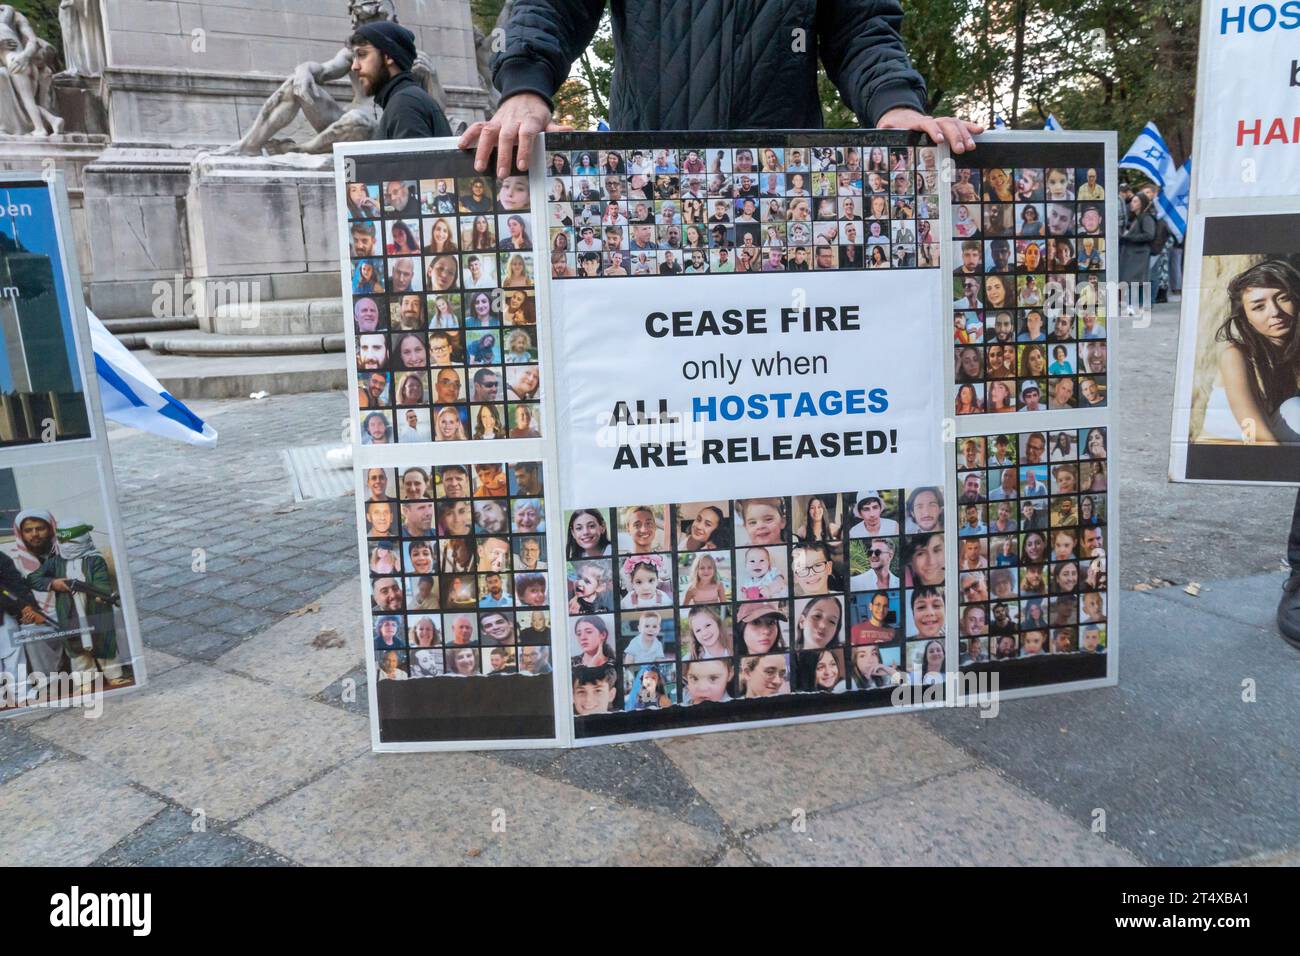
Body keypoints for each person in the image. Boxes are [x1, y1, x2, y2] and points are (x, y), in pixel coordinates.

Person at [461, 2, 980, 179]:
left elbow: (862, 28)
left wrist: (894, 104)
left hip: (781, 187)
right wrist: (525, 89)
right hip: (646, 188)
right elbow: (548, 7)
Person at [349, 19, 451, 139]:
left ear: (388, 57)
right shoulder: (405, 99)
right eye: (354, 58)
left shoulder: (405, 103)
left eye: (362, 54)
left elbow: (413, 158)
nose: (354, 66)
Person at [1119, 192, 1156, 315]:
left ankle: (1136, 305)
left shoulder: (1146, 218)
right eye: (1132, 201)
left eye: (1135, 201)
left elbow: (1149, 235)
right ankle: (1132, 306)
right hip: (1131, 253)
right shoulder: (1134, 218)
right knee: (1130, 281)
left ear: (1142, 203)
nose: (1131, 204)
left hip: (1139, 254)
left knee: (1135, 281)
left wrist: (1130, 237)